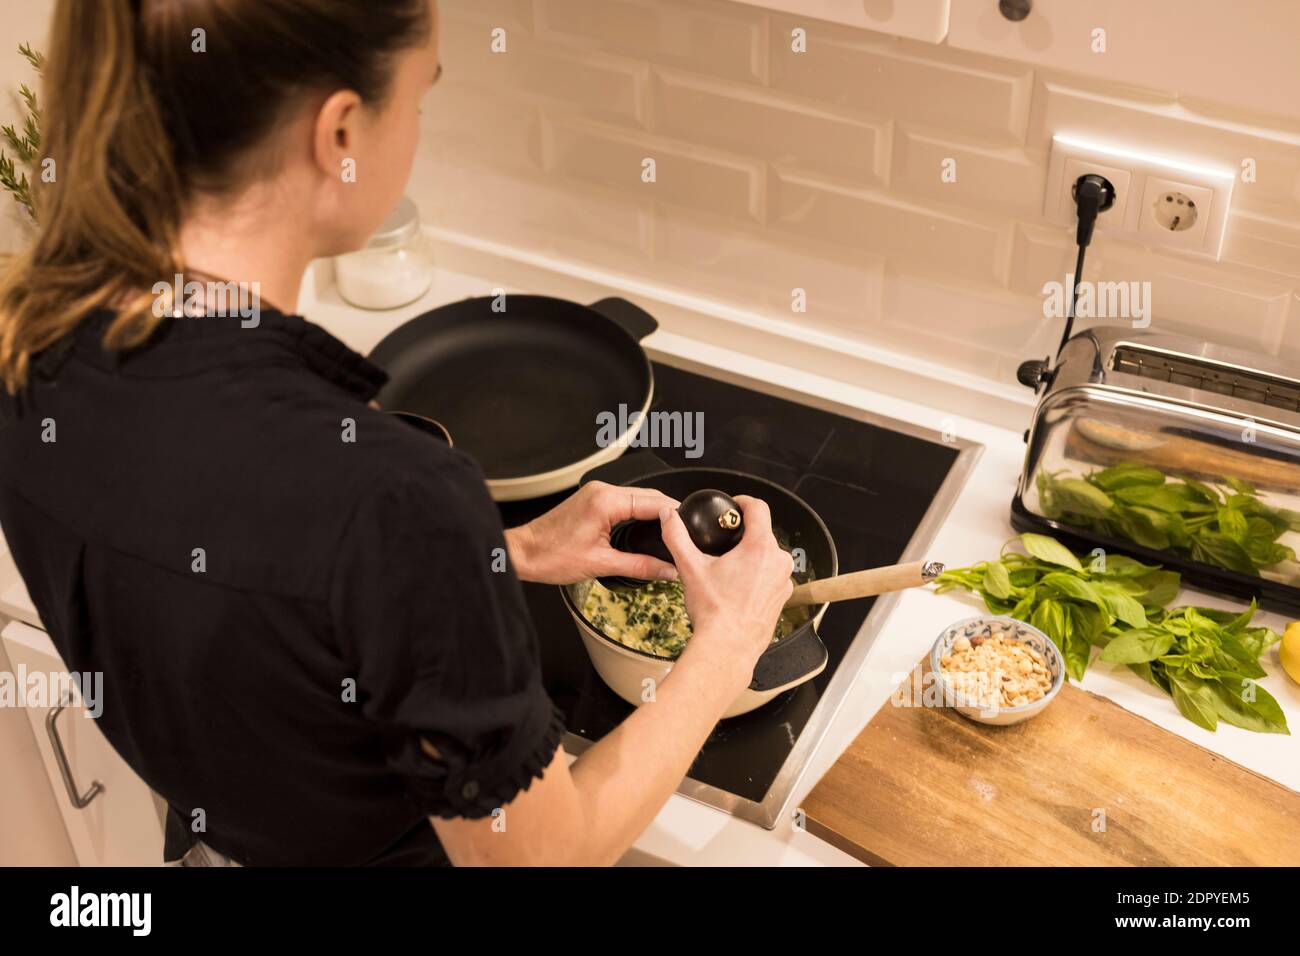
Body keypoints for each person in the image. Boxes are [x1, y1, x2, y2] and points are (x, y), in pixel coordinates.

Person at [0, 0, 795, 865]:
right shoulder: (394, 498)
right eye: (420, 97)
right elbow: (541, 859)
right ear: (340, 133)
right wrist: (726, 647)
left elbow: (234, 569)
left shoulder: (31, 346)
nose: (414, 127)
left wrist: (496, 553)